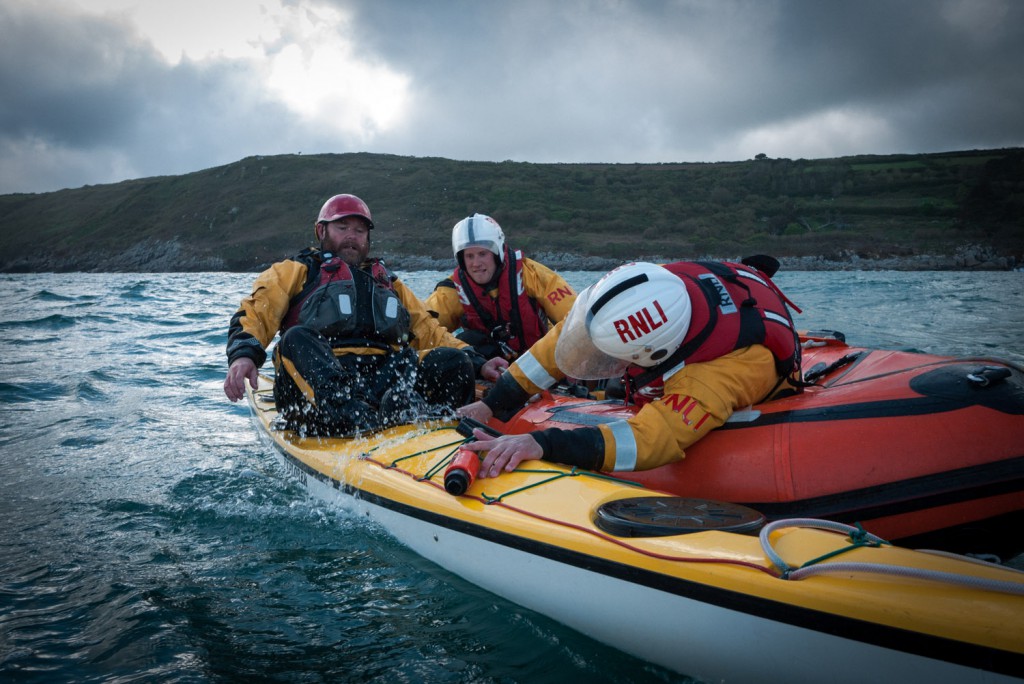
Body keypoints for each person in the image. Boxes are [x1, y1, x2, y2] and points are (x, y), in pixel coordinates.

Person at [457, 258, 802, 476]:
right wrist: (492, 403)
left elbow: (649, 440)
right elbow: (555, 346)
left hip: (750, 368)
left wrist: (542, 444)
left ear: (652, 352)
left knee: (612, 391)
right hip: (724, 315)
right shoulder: (644, 290)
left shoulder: (711, 378)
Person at [224, 193, 504, 435]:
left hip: (379, 377)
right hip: (319, 382)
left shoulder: (388, 282)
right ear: (322, 232)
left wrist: (478, 363)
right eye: (342, 227)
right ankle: (355, 418)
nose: (351, 236)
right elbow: (256, 311)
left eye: (359, 231)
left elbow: (429, 331)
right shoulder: (296, 271)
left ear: (368, 238)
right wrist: (244, 355)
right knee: (296, 338)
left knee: (453, 362)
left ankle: (435, 426)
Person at [425, 213, 576, 369]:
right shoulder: (452, 290)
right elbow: (423, 329)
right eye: (469, 256)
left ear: (497, 252)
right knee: (467, 340)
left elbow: (574, 318)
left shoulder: (532, 275)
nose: (476, 263)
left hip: (541, 364)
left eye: (482, 254)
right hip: (489, 367)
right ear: (461, 260)